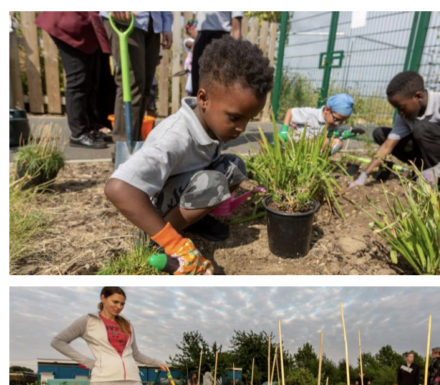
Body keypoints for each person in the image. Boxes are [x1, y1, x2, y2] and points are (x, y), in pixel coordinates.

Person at [104, 38, 275, 275]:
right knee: (214, 183)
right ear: (203, 99)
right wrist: (175, 244)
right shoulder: (173, 137)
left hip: (181, 188)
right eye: (235, 118)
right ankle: (161, 239)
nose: (242, 128)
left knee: (235, 167)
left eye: (249, 119)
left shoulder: (209, 125)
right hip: (152, 210)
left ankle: (192, 221)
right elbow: (118, 188)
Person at [354, 71, 440, 188]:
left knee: (421, 127)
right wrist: (365, 175)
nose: (399, 112)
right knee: (380, 133)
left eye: (401, 107)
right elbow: (387, 146)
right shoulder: (405, 114)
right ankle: (424, 172)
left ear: (418, 96)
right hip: (431, 156)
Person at [35, 12, 111, 149]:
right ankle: (78, 134)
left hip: (84, 27)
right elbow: (95, 13)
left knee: (92, 80)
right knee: (78, 80)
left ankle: (91, 128)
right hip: (69, 25)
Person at [100, 11, 173, 142]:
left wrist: (167, 24)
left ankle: (135, 143)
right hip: (124, 17)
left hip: (153, 20)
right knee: (131, 85)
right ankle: (124, 146)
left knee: (145, 87)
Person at [281, 93, 355, 155]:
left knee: (338, 142)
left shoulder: (333, 122)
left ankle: (319, 159)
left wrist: (341, 135)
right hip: (299, 144)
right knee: (324, 141)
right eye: (337, 119)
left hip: (314, 146)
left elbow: (329, 136)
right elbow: (290, 111)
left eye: (343, 121)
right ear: (327, 110)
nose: (338, 123)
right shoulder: (311, 114)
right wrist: (284, 130)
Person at [190, 12, 242, 94]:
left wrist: (235, 52)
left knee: (221, 81)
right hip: (201, 37)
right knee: (197, 82)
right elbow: (198, 19)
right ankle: (197, 104)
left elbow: (236, 29)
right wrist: (194, 46)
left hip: (222, 39)